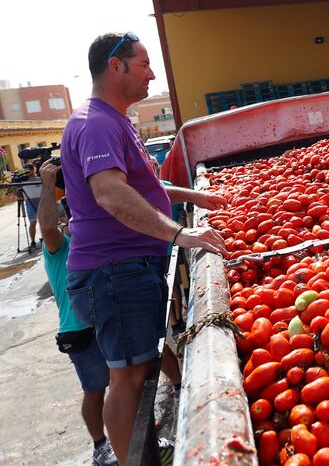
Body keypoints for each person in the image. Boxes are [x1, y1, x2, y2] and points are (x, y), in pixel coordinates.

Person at [62, 32, 229, 465]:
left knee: (140, 371)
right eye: (143, 65)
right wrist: (179, 234)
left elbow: (144, 188)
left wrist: (193, 197)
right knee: (129, 378)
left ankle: (144, 453)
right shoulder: (95, 123)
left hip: (126, 267)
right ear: (115, 66)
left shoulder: (116, 121)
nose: (152, 75)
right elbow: (111, 195)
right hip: (113, 271)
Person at [38, 159, 119, 466]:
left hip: (107, 318)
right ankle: (100, 446)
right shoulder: (59, 245)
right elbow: (47, 226)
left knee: (125, 382)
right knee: (95, 390)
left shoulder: (96, 238)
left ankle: (129, 434)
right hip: (79, 330)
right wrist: (47, 185)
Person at [20, 162, 42, 249]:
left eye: (28, 170)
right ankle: (32, 241)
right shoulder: (22, 181)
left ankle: (44, 238)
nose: (26, 172)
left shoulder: (40, 179)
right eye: (25, 171)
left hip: (41, 201)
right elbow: (16, 194)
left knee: (43, 222)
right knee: (33, 223)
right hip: (29, 202)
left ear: (33, 170)